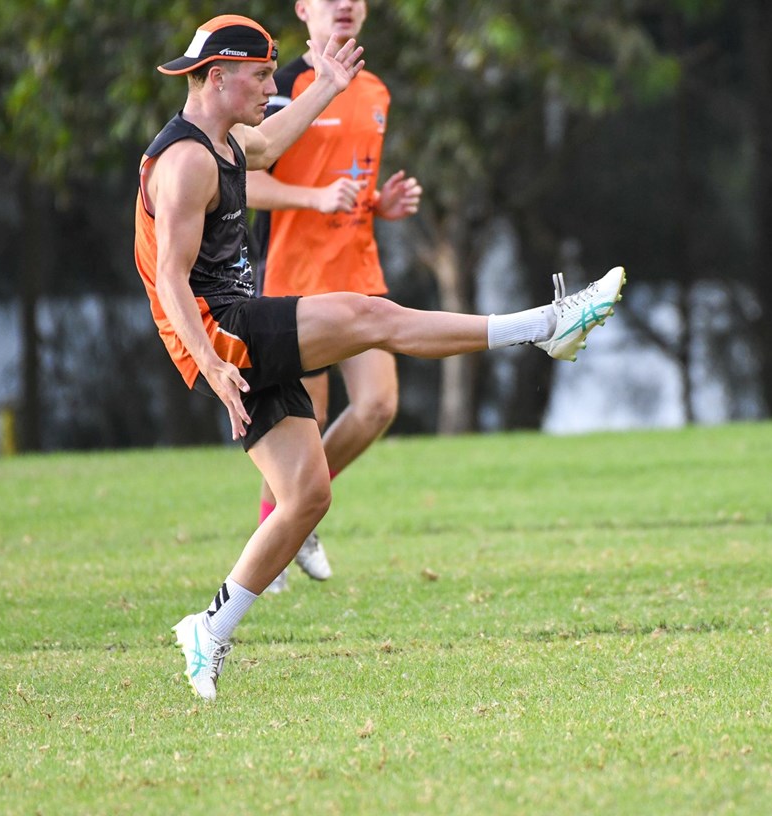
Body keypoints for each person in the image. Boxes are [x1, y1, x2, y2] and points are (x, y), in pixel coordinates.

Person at [133, 14, 626, 700]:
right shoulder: (186, 161)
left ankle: (209, 630)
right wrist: (213, 363)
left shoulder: (225, 139)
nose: (272, 85)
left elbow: (270, 142)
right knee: (372, 318)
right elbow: (169, 280)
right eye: (260, 75)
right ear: (217, 78)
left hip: (229, 336)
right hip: (226, 329)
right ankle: (547, 325)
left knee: (307, 494)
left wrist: (325, 86)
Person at [246, 0, 418, 594]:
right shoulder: (284, 84)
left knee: (377, 406)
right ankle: (282, 527)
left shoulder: (376, 91)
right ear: (303, 9)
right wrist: (314, 199)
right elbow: (246, 181)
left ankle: (299, 513)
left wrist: (380, 205)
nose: (344, 5)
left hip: (358, 272)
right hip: (294, 276)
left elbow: (349, 186)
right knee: (306, 418)